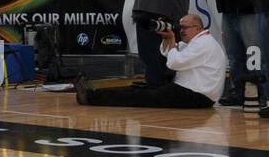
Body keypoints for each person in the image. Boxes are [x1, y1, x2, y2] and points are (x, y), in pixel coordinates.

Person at [76, 14, 224, 108]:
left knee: (140, 96)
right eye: (180, 28)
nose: (181, 31)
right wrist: (167, 38)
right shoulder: (199, 41)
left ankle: (91, 97)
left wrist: (172, 38)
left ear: (198, 28)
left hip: (197, 96)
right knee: (140, 90)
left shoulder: (203, 44)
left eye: (185, 28)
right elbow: (167, 52)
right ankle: (92, 94)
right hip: (192, 92)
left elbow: (173, 63)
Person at [206, 0, 257, 106]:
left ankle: (258, 91)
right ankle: (238, 89)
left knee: (253, 53)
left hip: (248, 8)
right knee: (234, 55)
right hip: (227, 8)